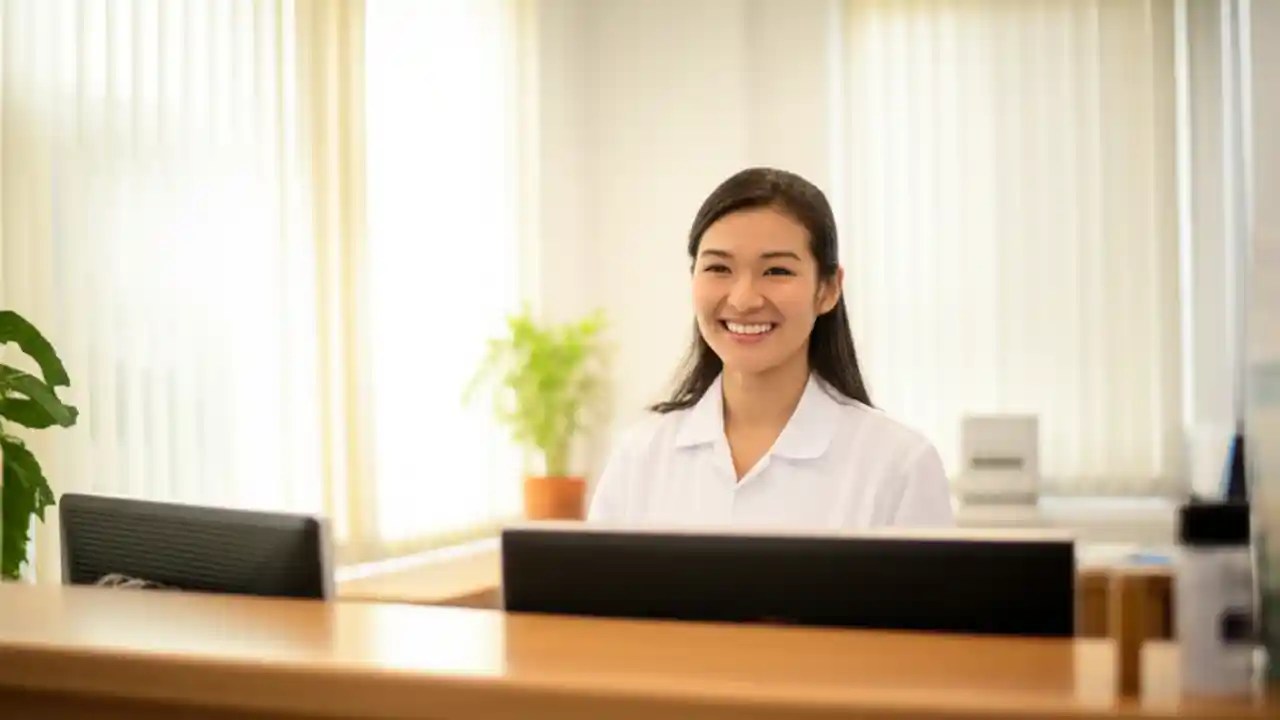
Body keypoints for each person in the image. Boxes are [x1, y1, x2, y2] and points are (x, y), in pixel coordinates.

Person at [588, 167, 954, 529]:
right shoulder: (640, 457)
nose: (744, 299)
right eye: (719, 268)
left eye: (777, 271)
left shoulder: (899, 465)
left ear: (828, 289)